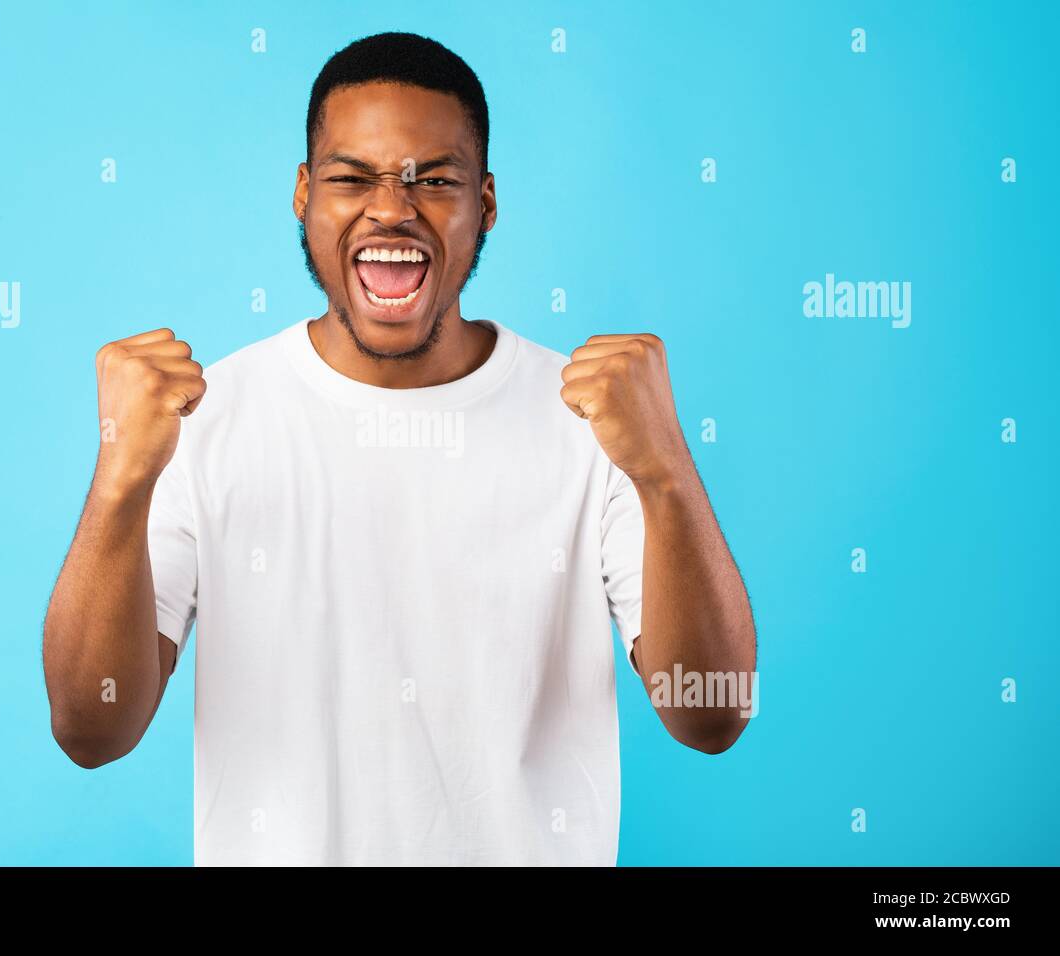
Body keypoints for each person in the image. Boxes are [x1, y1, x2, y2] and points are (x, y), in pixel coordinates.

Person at [43, 31, 756, 866]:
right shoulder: (200, 416)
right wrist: (121, 482)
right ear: (305, 194)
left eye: (436, 180)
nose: (392, 208)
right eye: (352, 178)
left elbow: (711, 717)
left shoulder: (595, 421)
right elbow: (91, 731)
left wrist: (666, 471)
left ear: (485, 204)